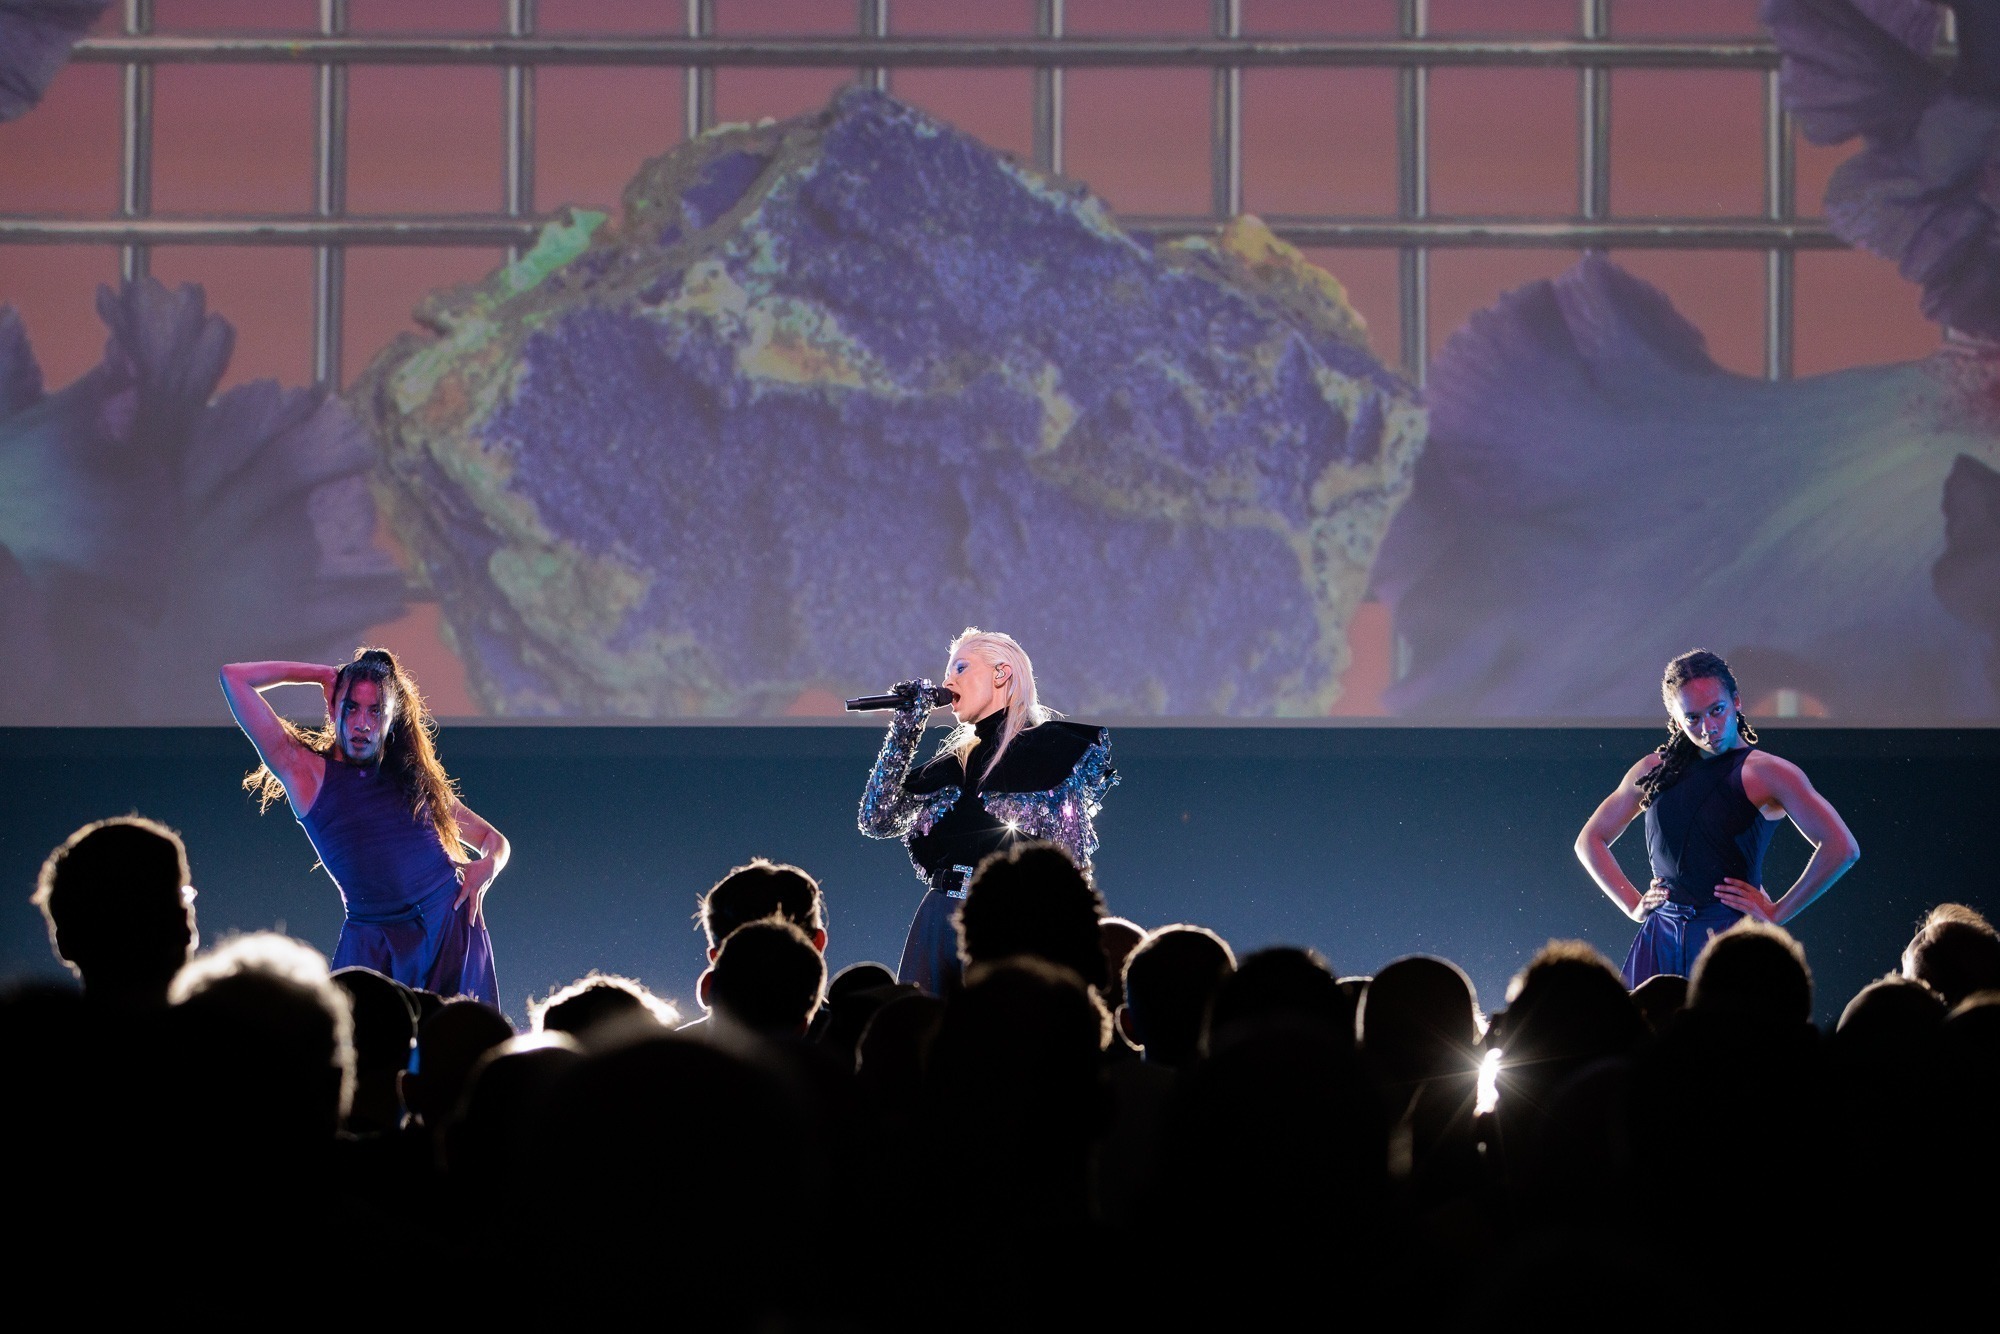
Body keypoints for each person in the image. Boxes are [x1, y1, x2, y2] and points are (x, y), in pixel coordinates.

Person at [221, 648, 509, 1006]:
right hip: (374, 948)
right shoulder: (305, 772)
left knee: (459, 1055)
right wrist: (323, 675)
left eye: (376, 712)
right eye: (351, 707)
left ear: (391, 720)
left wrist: (488, 867)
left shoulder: (411, 779)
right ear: (332, 707)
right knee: (364, 1054)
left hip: (450, 931)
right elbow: (234, 677)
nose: (362, 724)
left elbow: (492, 839)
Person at [1574, 649, 1860, 989]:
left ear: (1736, 701)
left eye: (1717, 710)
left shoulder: (1767, 772)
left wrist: (1777, 911)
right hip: (1659, 936)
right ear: (1677, 720)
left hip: (1731, 941)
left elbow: (1842, 847)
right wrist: (1633, 904)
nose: (1708, 727)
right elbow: (1589, 840)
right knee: (1643, 1041)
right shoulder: (1655, 769)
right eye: (1692, 718)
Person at [857, 627, 1117, 994]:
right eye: (949, 672)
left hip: (1011, 919)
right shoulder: (954, 762)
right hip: (939, 911)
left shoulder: (1051, 750)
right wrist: (905, 728)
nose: (948, 681)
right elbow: (878, 818)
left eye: (961, 668)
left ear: (1001, 673)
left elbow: (1069, 860)